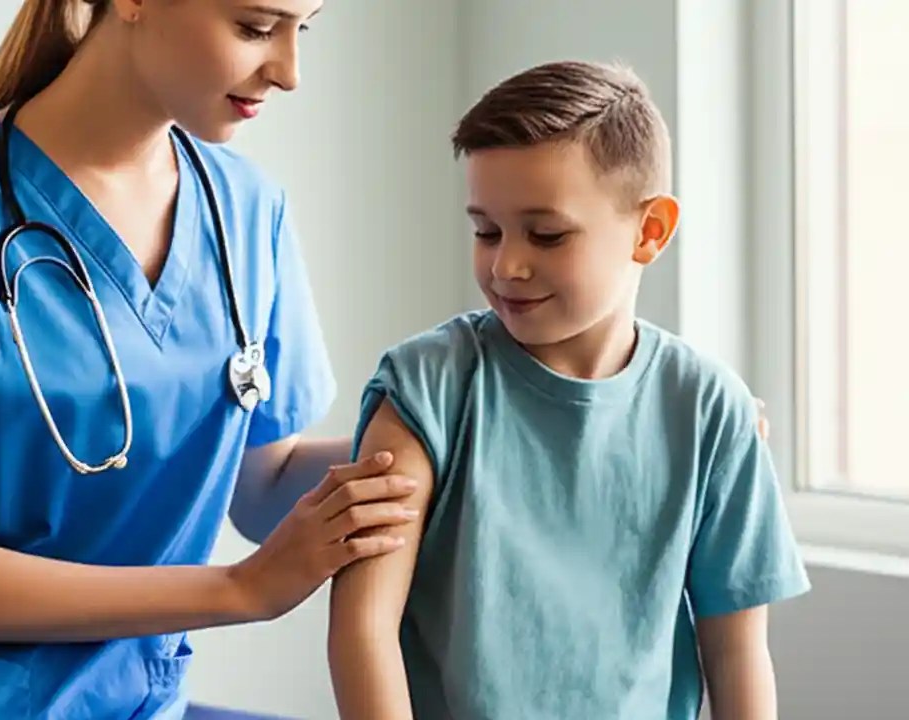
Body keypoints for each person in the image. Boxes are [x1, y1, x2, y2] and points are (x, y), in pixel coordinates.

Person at [0, 1, 423, 718]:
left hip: (122, 702)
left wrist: (442, 443)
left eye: (303, 29)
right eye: (255, 28)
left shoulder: (248, 210)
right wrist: (244, 589)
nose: (289, 72)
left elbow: (264, 487)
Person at [326, 60, 809, 720]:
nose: (505, 265)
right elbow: (363, 629)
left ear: (650, 231)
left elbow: (735, 652)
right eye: (485, 230)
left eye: (546, 234)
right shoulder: (425, 388)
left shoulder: (711, 410)